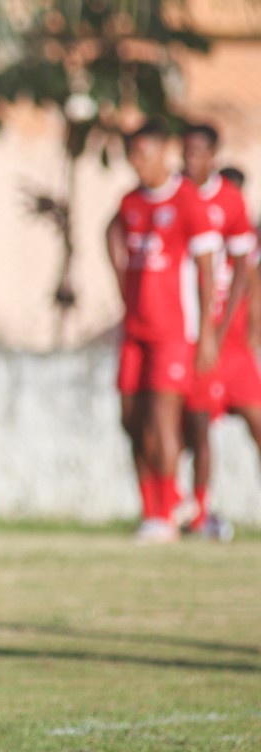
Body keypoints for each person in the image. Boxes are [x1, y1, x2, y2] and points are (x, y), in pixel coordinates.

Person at [106, 118, 221, 543]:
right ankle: (155, 505)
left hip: (174, 333)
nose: (135, 162)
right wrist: (122, 282)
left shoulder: (187, 201)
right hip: (135, 330)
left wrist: (206, 333)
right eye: (131, 154)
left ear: (161, 152)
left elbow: (207, 271)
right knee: (130, 418)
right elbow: (111, 232)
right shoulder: (130, 202)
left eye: (142, 153)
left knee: (162, 420)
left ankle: (167, 512)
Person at [178, 129, 260, 539]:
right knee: (197, 430)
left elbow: (250, 280)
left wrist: (249, 330)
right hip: (200, 344)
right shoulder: (183, 207)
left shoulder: (237, 225)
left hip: (234, 347)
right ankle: (198, 512)